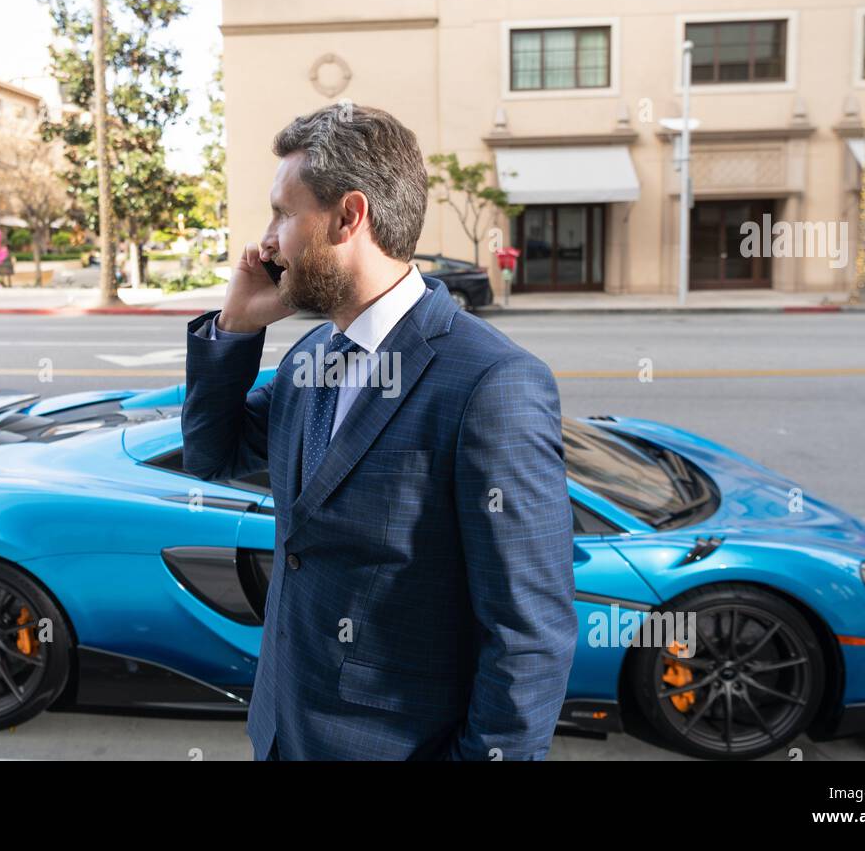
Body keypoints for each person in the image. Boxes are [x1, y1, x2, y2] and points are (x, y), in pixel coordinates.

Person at [181, 104, 577, 761]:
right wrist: (237, 327)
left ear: (349, 216)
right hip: (283, 734)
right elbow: (209, 453)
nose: (267, 242)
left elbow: (528, 637)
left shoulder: (491, 384)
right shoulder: (311, 355)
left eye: (283, 212)